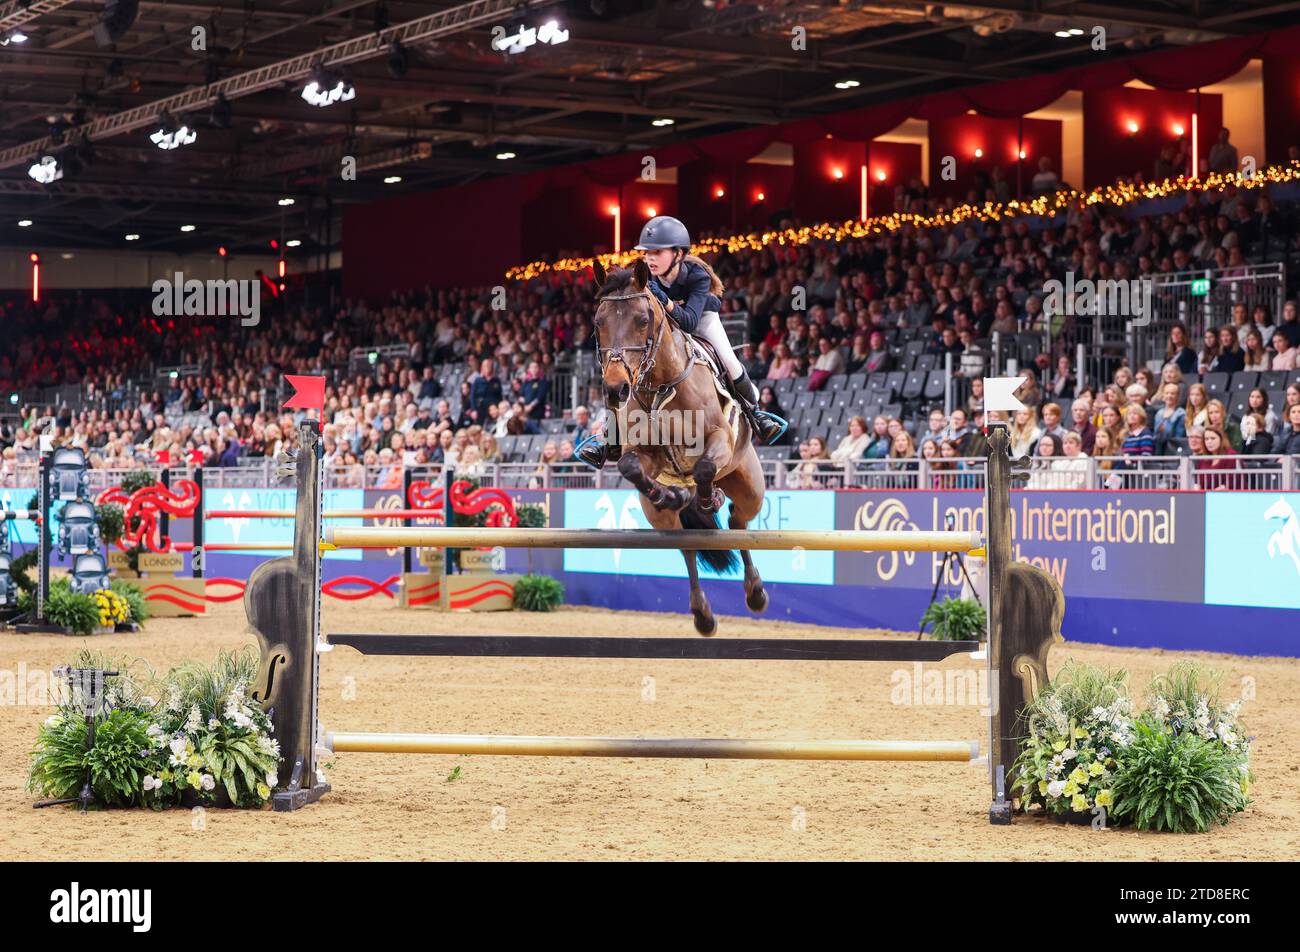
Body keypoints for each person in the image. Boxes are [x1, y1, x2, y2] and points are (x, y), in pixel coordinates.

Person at [576, 215, 786, 467]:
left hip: (701, 319)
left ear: (678, 254)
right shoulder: (647, 276)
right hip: (663, 323)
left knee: (728, 359)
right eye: (647, 253)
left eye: (657, 252)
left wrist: (663, 301)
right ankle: (609, 439)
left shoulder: (698, 276)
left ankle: (756, 415)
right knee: (620, 373)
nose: (650, 258)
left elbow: (688, 321)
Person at [1152, 383, 1187, 452]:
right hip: (1158, 448)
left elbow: (1178, 437)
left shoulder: (1181, 413)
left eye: (1172, 393)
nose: (1169, 396)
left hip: (1173, 449)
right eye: (1167, 393)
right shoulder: (1159, 413)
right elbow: (1155, 434)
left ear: (1177, 396)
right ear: (1163, 395)